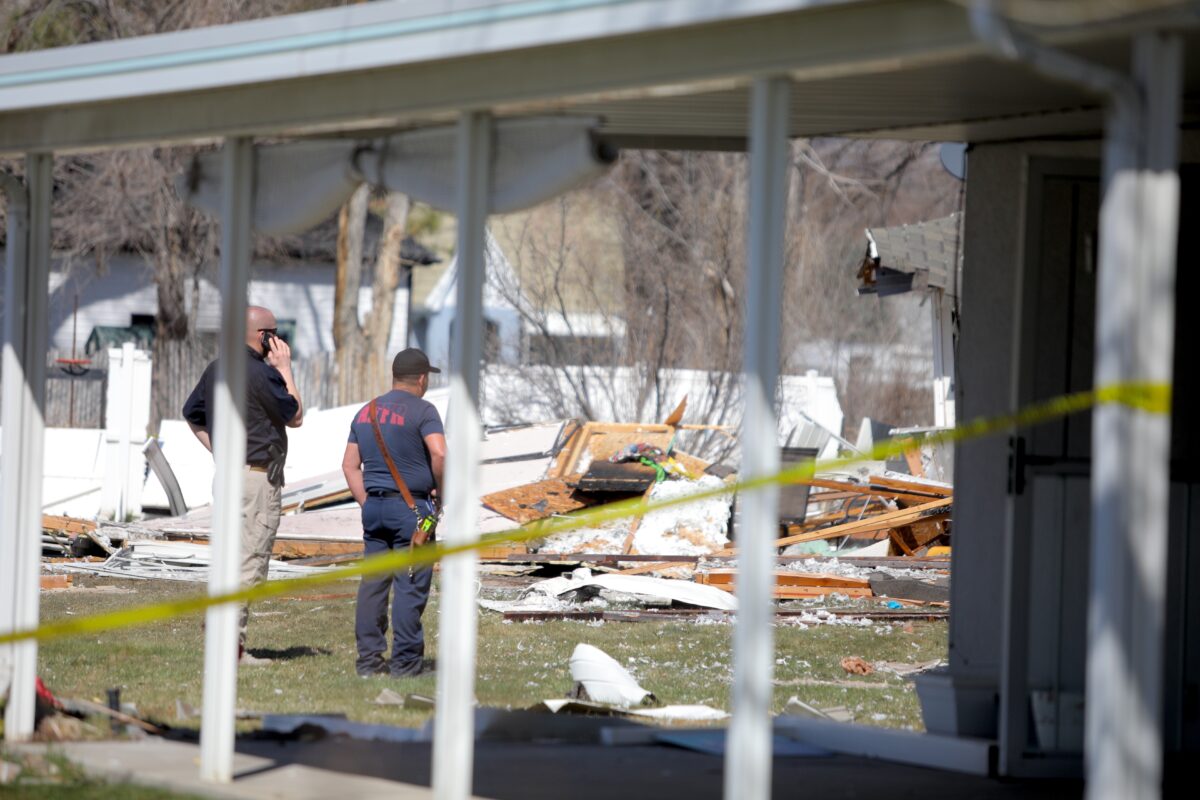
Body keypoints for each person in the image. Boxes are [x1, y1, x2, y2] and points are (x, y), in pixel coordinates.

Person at [182, 306, 303, 665]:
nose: (280, 340)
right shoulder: (261, 374)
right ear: (262, 336)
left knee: (229, 559)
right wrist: (286, 369)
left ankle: (219, 630)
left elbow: (193, 415)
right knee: (249, 561)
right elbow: (295, 415)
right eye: (275, 333)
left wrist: (220, 451)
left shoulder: (217, 369)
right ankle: (231, 649)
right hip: (256, 479)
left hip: (230, 475)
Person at [342, 348, 446, 678]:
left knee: (373, 585)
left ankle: (369, 663)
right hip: (412, 512)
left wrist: (368, 503)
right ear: (422, 378)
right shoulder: (424, 410)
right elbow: (440, 453)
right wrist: (441, 494)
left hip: (374, 509)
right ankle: (405, 664)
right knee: (410, 585)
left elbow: (349, 465)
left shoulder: (365, 411)